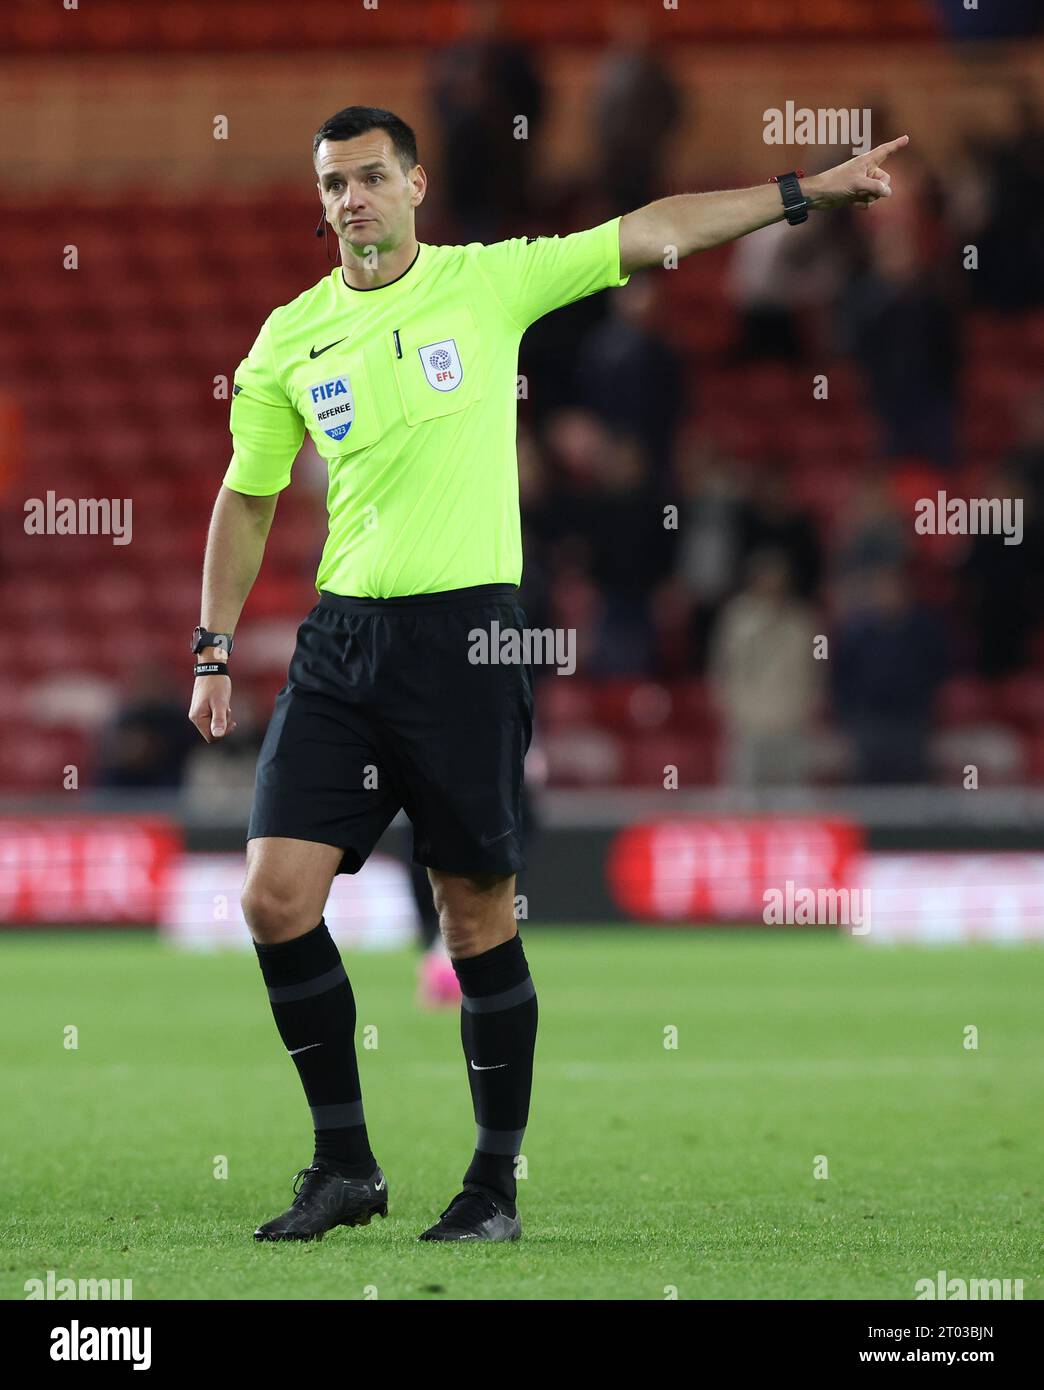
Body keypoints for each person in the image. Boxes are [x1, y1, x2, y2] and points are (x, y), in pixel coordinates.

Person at [187, 105, 909, 1243]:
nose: (351, 200)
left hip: (467, 644)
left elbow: (653, 228)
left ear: (418, 186)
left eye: (371, 177)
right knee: (275, 899)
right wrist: (214, 644)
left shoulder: (489, 284)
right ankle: (344, 1165)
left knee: (474, 920)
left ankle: (492, 1185)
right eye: (332, 184)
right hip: (341, 644)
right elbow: (248, 495)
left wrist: (803, 190)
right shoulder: (288, 337)